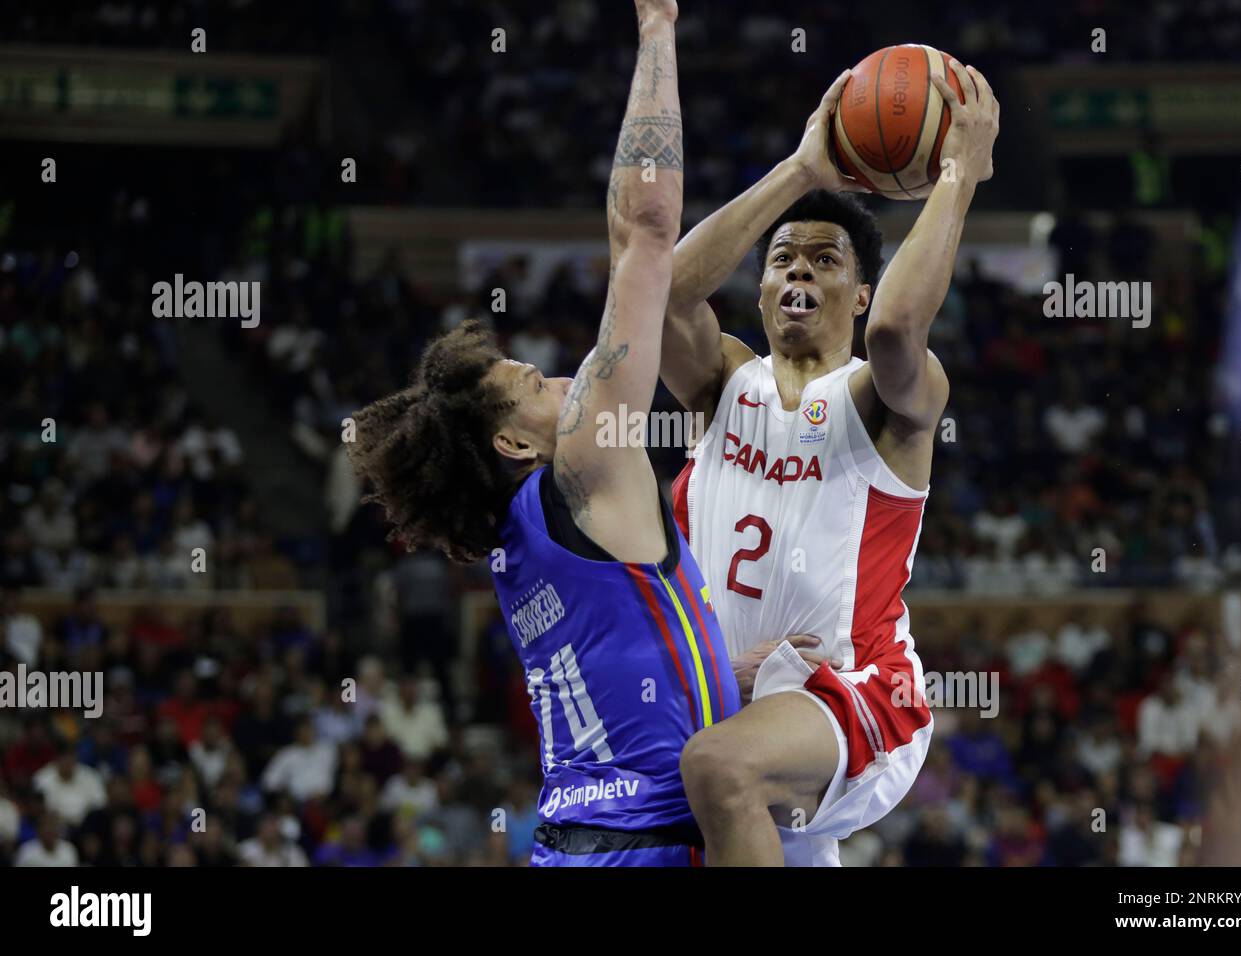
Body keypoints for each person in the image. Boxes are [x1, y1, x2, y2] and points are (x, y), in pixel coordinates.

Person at [348, 0, 740, 866]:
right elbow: (646, 230)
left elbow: (647, 675)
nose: (564, 380)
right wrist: (658, 30)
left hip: (574, 843)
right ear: (514, 445)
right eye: (535, 385)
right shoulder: (587, 468)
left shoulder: (521, 545)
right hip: (642, 848)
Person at [667, 61, 1000, 865]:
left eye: (823, 260)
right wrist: (802, 171)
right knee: (717, 779)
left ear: (859, 292)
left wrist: (958, 173)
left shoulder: (882, 400)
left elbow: (894, 332)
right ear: (759, 292)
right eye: (783, 260)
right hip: (730, 702)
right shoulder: (722, 386)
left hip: (859, 690)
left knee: (719, 768)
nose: (798, 273)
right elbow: (665, 294)